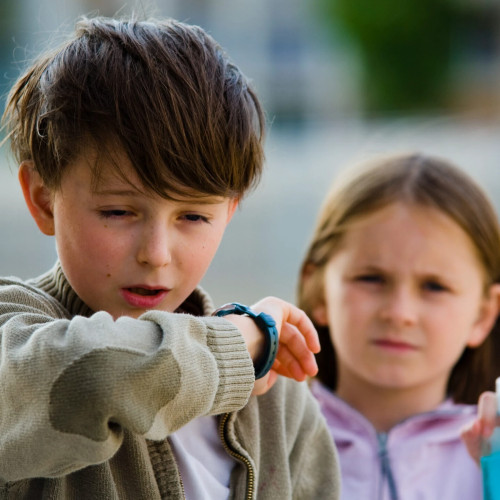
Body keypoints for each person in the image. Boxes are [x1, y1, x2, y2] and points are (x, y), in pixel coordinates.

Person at [0, 16, 340, 499]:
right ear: (42, 198)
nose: (156, 254)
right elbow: (93, 378)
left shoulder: (277, 399)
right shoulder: (13, 333)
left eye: (194, 217)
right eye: (117, 211)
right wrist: (243, 341)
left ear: (230, 211)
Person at [297, 152, 500, 499]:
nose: (399, 313)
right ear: (319, 291)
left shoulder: (491, 459)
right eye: (371, 278)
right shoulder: (259, 439)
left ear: (482, 316)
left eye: (434, 286)